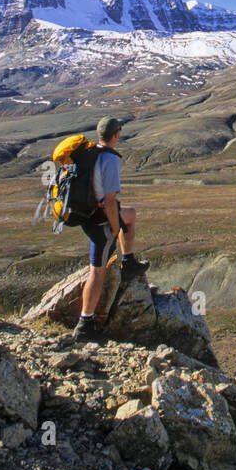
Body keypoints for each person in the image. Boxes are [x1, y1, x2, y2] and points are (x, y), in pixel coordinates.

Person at [73, 115, 149, 342]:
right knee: (97, 271)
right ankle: (84, 325)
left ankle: (128, 261)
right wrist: (115, 229)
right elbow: (109, 199)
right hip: (99, 221)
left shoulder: (89, 153)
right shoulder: (110, 160)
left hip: (88, 213)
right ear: (116, 135)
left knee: (131, 214)